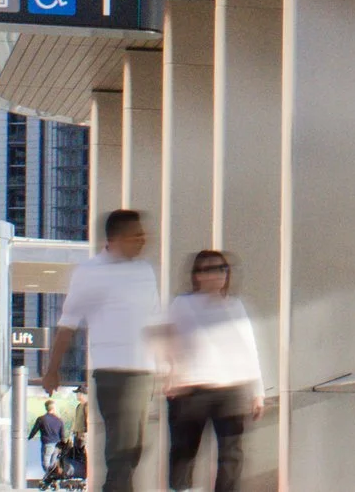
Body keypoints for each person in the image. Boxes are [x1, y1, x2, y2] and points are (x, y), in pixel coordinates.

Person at [45, 209, 160, 492]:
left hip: (144, 371)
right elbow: (68, 324)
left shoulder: (144, 271)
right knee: (121, 451)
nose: (143, 240)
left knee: (133, 450)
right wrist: (52, 369)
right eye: (137, 235)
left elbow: (154, 322)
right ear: (116, 238)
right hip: (114, 373)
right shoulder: (90, 272)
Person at [162, 249, 264, 492]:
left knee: (231, 454)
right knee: (184, 451)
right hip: (191, 390)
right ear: (197, 275)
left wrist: (257, 391)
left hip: (230, 389)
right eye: (209, 269)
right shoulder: (182, 304)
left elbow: (249, 348)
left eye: (221, 269)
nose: (217, 275)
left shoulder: (234, 306)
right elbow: (164, 339)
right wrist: (168, 372)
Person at [30, 402, 68, 488]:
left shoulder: (41, 419)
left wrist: (29, 438)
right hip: (57, 446)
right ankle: (53, 481)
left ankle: (49, 480)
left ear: (46, 408)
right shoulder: (59, 420)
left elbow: (34, 430)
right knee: (53, 464)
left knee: (45, 464)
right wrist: (63, 446)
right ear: (53, 408)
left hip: (47, 444)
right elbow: (62, 435)